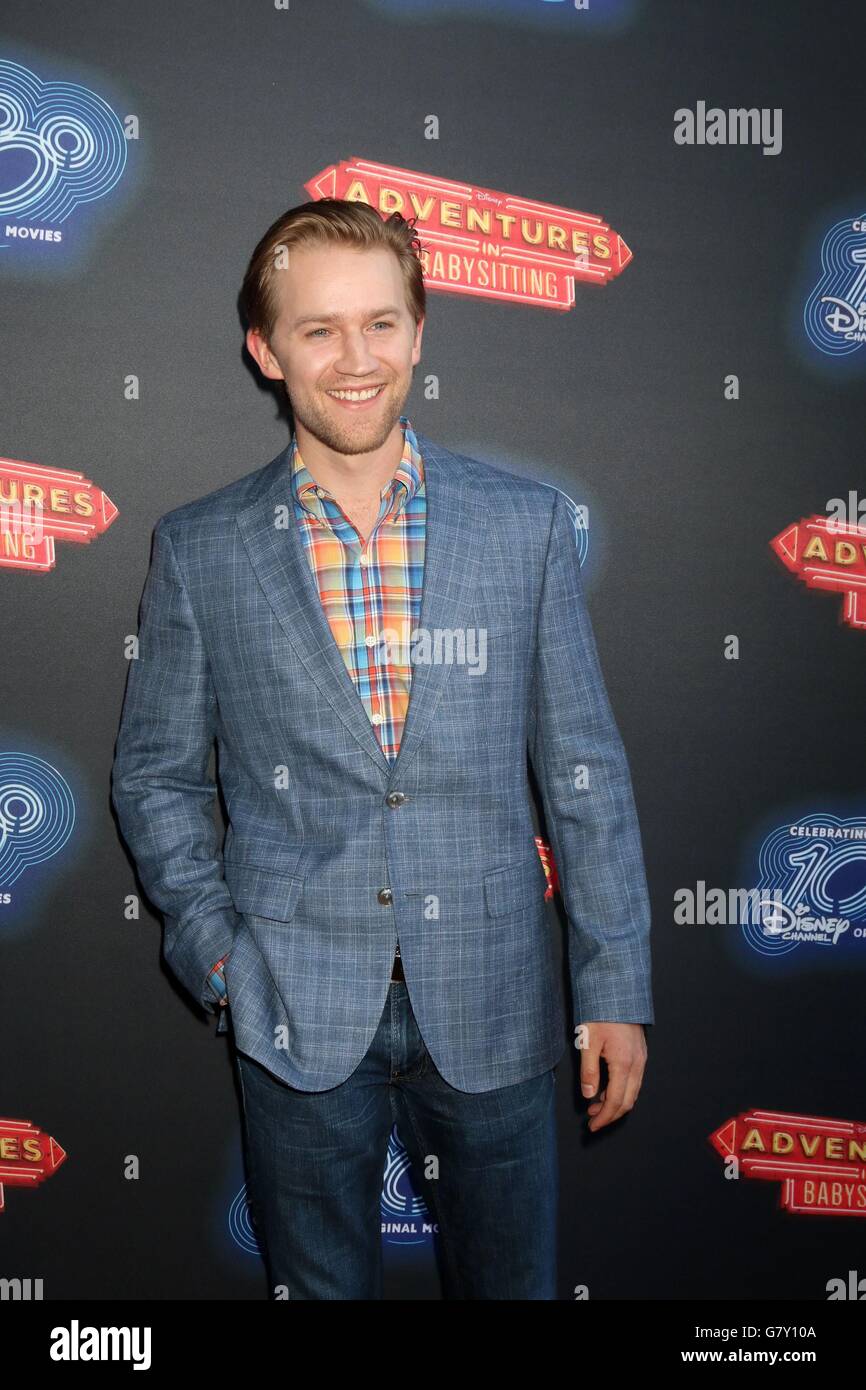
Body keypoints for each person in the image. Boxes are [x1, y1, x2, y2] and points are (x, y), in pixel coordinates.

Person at [111, 197, 653, 1301]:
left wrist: (614, 983)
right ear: (266, 350)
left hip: (495, 1001)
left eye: (380, 323)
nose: (353, 359)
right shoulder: (201, 547)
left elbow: (583, 771)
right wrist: (219, 956)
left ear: (419, 331)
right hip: (292, 1011)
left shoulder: (524, 525)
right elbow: (155, 776)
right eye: (317, 329)